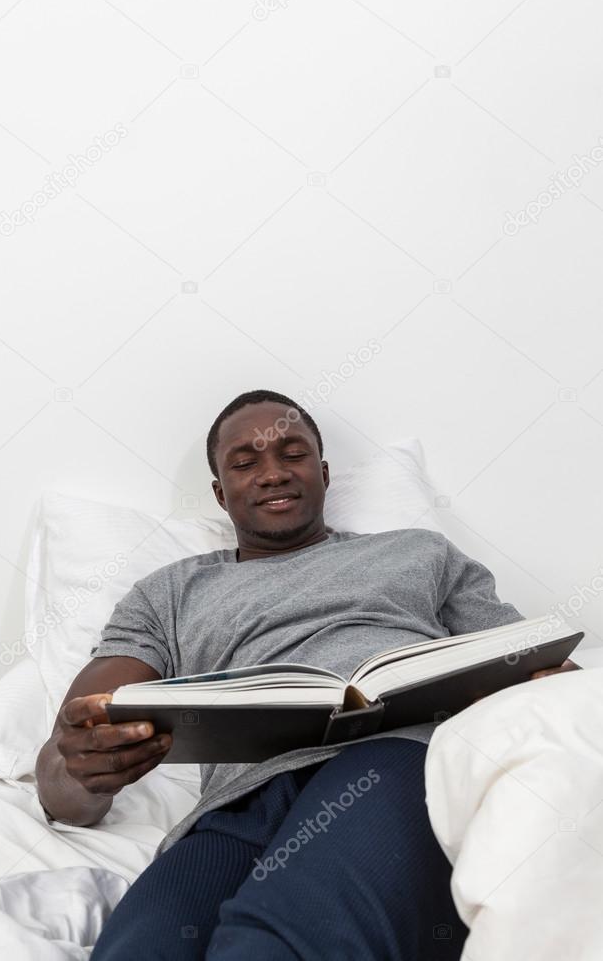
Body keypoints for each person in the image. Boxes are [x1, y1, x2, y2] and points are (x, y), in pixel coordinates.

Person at [35, 389, 578, 960]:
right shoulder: (167, 592)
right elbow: (73, 751)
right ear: (221, 494)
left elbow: (532, 665)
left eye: (292, 454)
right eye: (245, 463)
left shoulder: (421, 552)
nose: (272, 473)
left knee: (273, 944)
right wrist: (80, 767)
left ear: (322, 474)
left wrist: (550, 682)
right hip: (236, 804)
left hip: (393, 757)